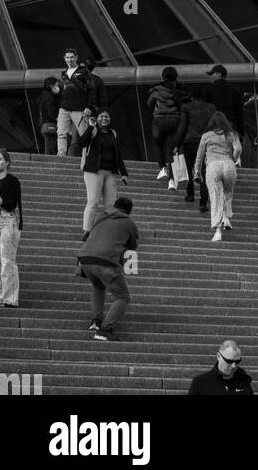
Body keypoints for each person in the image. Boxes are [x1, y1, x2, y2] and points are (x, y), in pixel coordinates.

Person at [77, 195, 139, 342]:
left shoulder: (99, 216)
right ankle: (105, 330)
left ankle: (96, 322)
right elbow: (132, 247)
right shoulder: (128, 223)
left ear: (115, 206)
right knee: (123, 297)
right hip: (106, 262)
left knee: (98, 286)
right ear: (128, 211)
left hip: (85, 260)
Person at [194, 111, 242, 242]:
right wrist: (233, 159)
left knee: (215, 197)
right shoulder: (232, 135)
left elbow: (199, 156)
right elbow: (238, 149)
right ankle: (226, 216)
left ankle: (218, 231)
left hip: (213, 166)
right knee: (227, 193)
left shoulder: (206, 136)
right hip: (228, 165)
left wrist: (197, 171)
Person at [79, 110, 130, 234]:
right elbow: (82, 143)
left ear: (110, 119)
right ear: (97, 118)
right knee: (93, 201)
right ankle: (87, 230)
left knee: (110, 205)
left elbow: (118, 154)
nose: (104, 119)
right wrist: (91, 126)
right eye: (101, 116)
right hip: (93, 171)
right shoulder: (93, 130)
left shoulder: (113, 133)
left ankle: (107, 231)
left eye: (106, 116)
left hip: (109, 173)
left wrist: (123, 173)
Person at [173, 92, 216, 210]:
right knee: (203, 171)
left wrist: (176, 144)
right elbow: (214, 125)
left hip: (190, 142)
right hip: (206, 142)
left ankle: (190, 193)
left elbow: (183, 127)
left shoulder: (187, 107)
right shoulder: (211, 108)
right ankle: (203, 202)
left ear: (192, 96)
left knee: (190, 168)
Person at [146, 66, 187, 180]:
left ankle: (162, 168)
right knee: (171, 148)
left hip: (159, 121)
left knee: (157, 143)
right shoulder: (180, 90)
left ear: (163, 77)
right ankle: (172, 180)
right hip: (175, 121)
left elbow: (149, 104)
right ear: (176, 77)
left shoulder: (157, 90)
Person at [57, 49, 94, 157]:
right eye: (67, 57)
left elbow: (91, 89)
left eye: (72, 57)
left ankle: (87, 155)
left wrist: (89, 106)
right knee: (61, 133)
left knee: (84, 134)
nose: (69, 59)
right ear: (64, 58)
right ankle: (61, 154)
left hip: (79, 108)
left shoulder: (83, 71)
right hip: (64, 108)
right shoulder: (64, 73)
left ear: (76, 57)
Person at [0, 148, 22, 308]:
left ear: (7, 162)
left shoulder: (12, 181)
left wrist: (1, 203)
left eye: (0, 159)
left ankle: (9, 298)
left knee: (7, 259)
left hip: (7, 219)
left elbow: (13, 203)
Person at [188, 340, 254, 395]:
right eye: (229, 361)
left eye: (237, 361)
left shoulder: (244, 381)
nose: (234, 366)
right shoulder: (200, 383)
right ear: (218, 356)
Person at [203, 66, 245, 142]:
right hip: (230, 129)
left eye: (212, 74)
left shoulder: (208, 89)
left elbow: (204, 111)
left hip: (213, 129)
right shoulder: (235, 91)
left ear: (219, 74)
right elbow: (239, 115)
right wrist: (241, 134)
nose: (210, 77)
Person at [37, 77, 61, 155]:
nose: (58, 87)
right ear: (51, 86)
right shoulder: (49, 97)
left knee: (50, 147)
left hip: (44, 125)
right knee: (49, 149)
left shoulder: (43, 95)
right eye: (56, 85)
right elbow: (52, 113)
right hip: (50, 125)